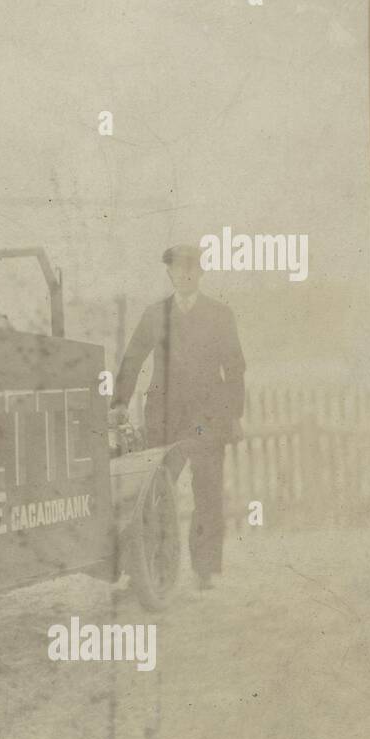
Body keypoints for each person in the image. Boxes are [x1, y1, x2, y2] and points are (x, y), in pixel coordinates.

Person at [112, 243, 246, 591]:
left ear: (200, 273)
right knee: (151, 493)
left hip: (207, 420)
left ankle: (204, 569)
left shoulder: (220, 314)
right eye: (177, 268)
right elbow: (132, 360)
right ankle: (145, 569)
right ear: (169, 273)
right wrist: (118, 402)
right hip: (165, 419)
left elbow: (234, 368)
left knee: (207, 492)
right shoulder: (155, 315)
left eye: (192, 268)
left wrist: (233, 415)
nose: (185, 274)